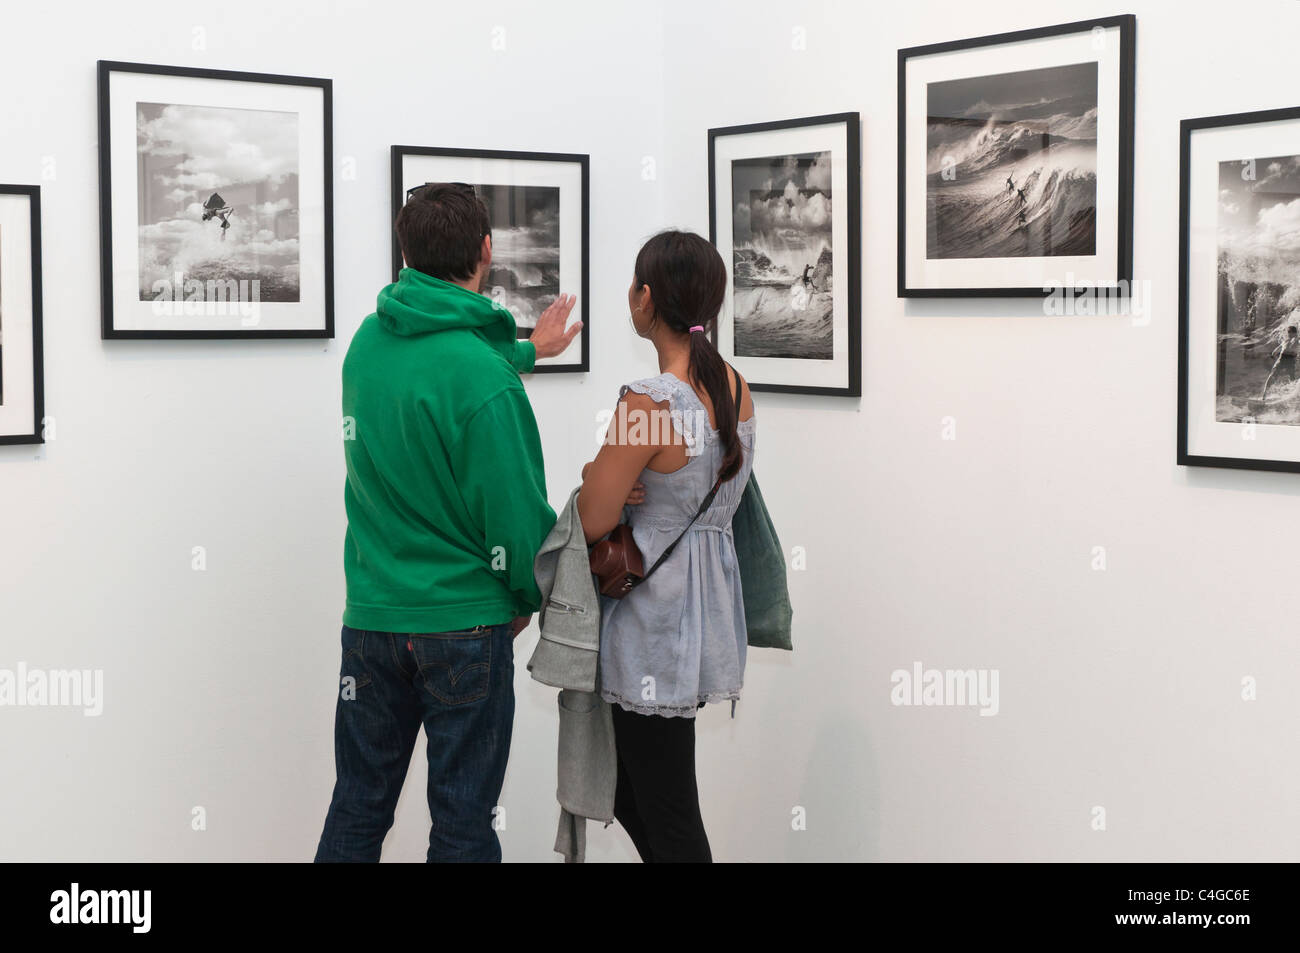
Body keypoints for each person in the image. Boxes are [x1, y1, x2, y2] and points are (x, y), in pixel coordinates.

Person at [315, 182, 581, 863]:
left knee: (358, 804)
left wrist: (528, 350)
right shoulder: (484, 381)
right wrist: (526, 596)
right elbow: (518, 519)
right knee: (463, 822)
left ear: (407, 250)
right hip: (464, 628)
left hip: (373, 622)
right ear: (486, 250)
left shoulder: (368, 345)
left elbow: (433, 377)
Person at [577, 229, 756, 863]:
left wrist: (601, 482)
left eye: (633, 285)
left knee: (665, 805)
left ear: (646, 297)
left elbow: (593, 516)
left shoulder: (649, 401)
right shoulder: (734, 387)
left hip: (652, 620)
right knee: (643, 791)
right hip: (705, 614)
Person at [1261, 325, 1299, 399]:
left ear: (1294, 333)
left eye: (1289, 332)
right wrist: (1273, 357)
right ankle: (1264, 396)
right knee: (1272, 376)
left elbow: (1274, 353)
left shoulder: (1296, 340)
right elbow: (1274, 352)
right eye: (1288, 332)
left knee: (1292, 379)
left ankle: (1293, 396)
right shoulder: (1286, 341)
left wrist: (1274, 356)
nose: (1288, 334)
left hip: (1288, 360)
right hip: (1282, 359)